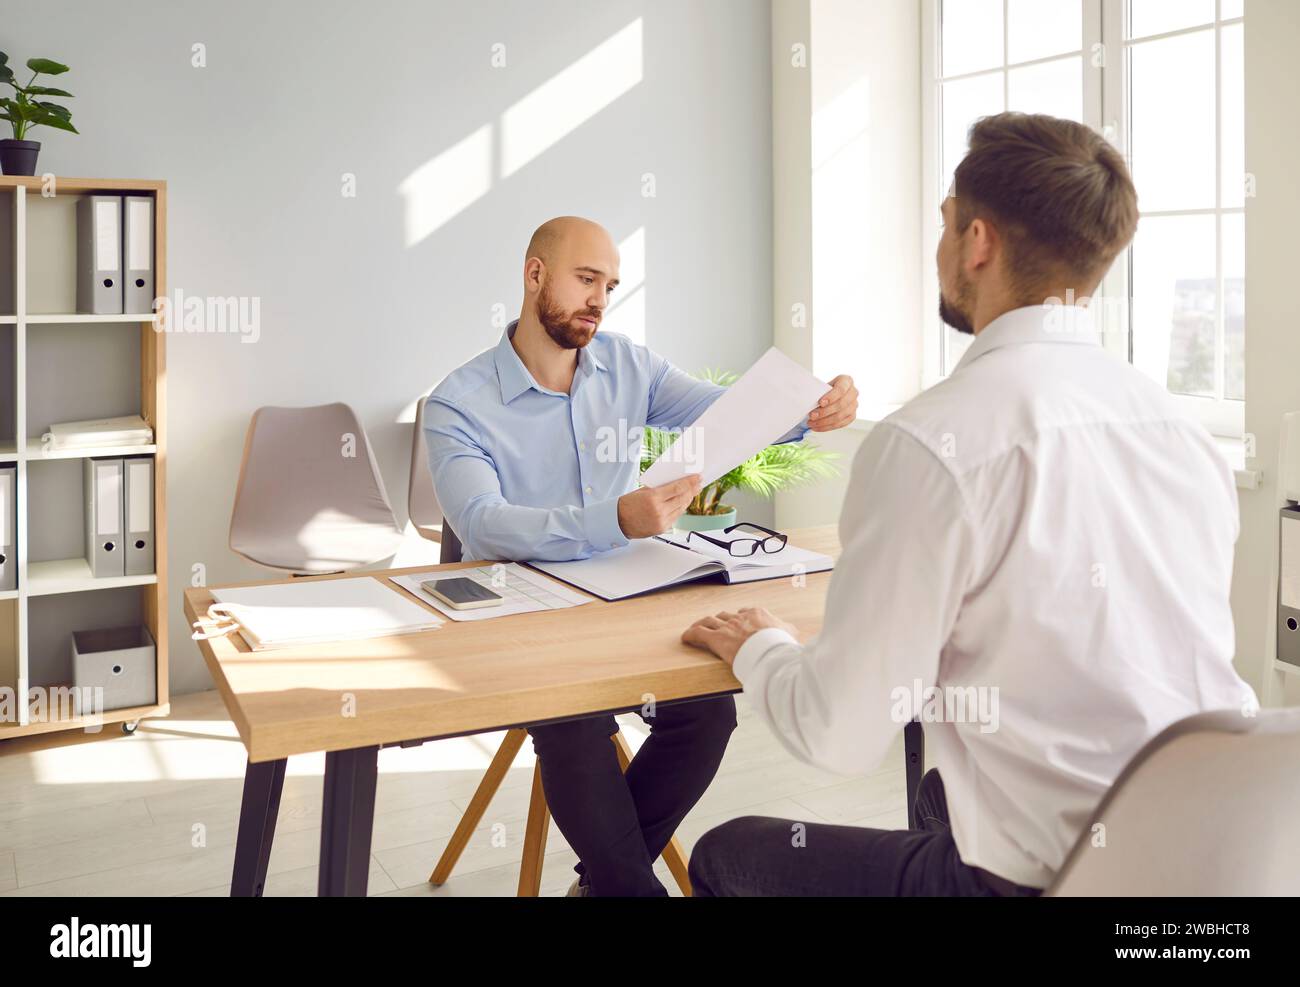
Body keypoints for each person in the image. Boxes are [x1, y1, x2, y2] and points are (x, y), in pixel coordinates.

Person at [681, 113, 1258, 896]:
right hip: (1207, 870)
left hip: (1034, 881)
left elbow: (838, 734)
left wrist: (762, 643)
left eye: (945, 223)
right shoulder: (1184, 434)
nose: (940, 244)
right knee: (933, 762)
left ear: (977, 242)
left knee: (730, 852)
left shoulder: (932, 440)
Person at [424, 216, 859, 896]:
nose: (600, 299)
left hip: (624, 602)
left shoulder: (629, 366)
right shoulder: (458, 403)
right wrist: (616, 517)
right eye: (586, 279)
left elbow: (727, 414)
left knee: (707, 710)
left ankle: (603, 885)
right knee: (575, 725)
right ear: (535, 274)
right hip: (525, 618)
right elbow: (484, 522)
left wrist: (813, 409)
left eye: (611, 285)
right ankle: (628, 888)